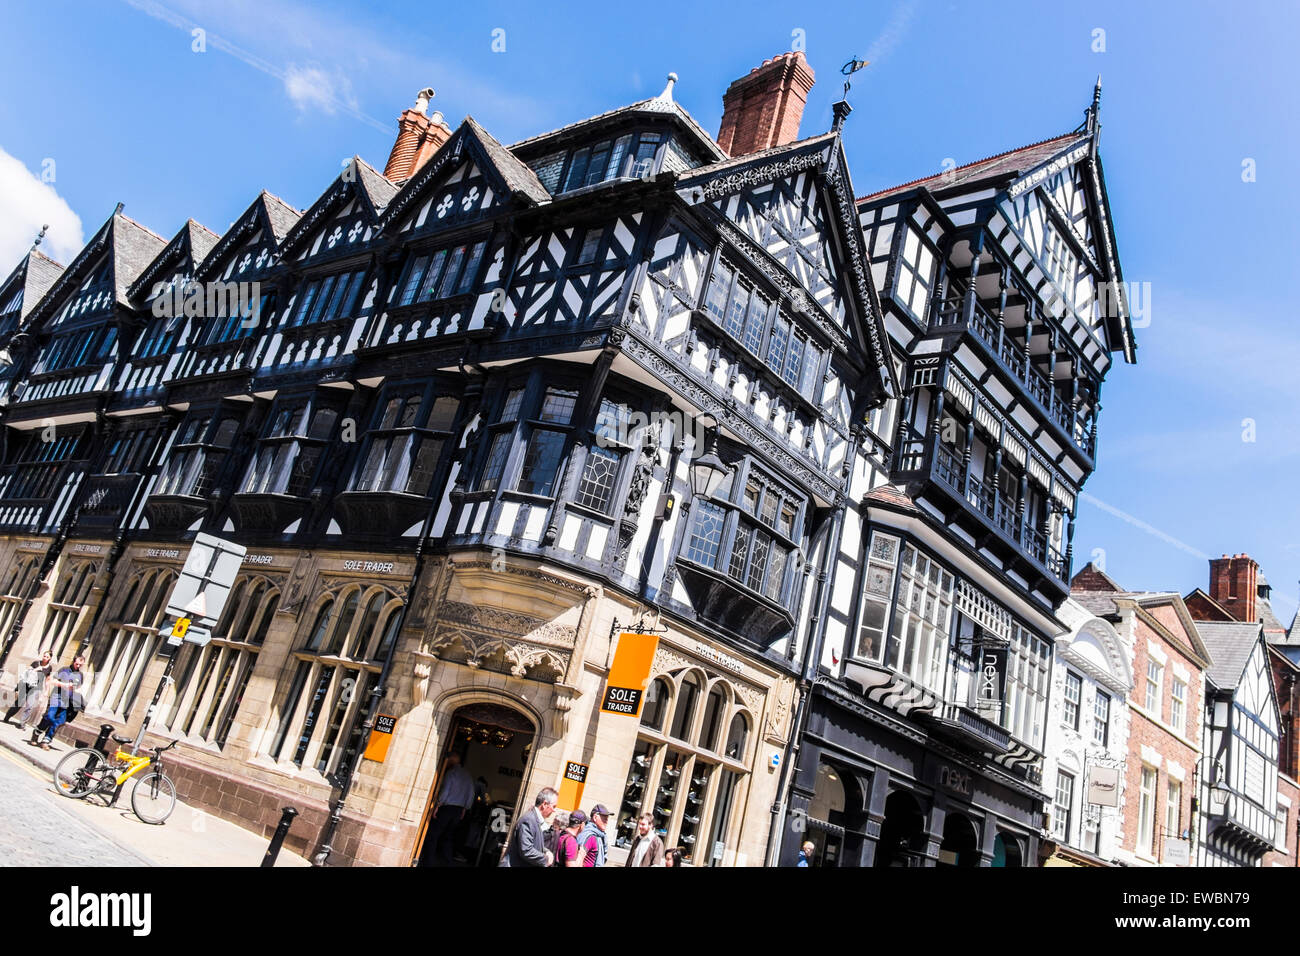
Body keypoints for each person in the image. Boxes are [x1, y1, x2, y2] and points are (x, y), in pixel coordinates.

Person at [423, 751, 475, 866]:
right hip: (458, 811)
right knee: (448, 836)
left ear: (450, 761)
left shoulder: (451, 773)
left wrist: (438, 804)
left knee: (433, 834)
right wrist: (465, 809)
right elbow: (471, 794)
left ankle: (428, 862)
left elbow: (445, 791)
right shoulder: (468, 775)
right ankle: (447, 862)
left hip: (446, 808)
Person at [31, 655, 84, 751]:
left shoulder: (80, 675)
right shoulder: (64, 670)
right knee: (50, 717)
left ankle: (46, 741)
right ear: (73, 661)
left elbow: (78, 687)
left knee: (59, 722)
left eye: (81, 665)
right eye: (77, 664)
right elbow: (53, 681)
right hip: (56, 697)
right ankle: (37, 732)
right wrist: (65, 685)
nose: (78, 666)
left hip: (67, 701)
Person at [501, 787, 557, 867]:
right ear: (544, 804)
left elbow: (533, 843)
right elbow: (526, 850)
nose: (554, 810)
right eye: (553, 806)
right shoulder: (529, 820)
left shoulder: (535, 819)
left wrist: (546, 851)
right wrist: (546, 859)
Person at [5, 651, 52, 728]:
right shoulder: (35, 663)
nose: (45, 658)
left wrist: (47, 691)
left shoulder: (49, 668)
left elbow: (47, 679)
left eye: (47, 657)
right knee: (18, 704)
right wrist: (36, 669)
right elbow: (27, 673)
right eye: (44, 656)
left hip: (36, 689)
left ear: (50, 658)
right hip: (26, 686)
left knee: (30, 706)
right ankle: (7, 716)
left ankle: (22, 724)